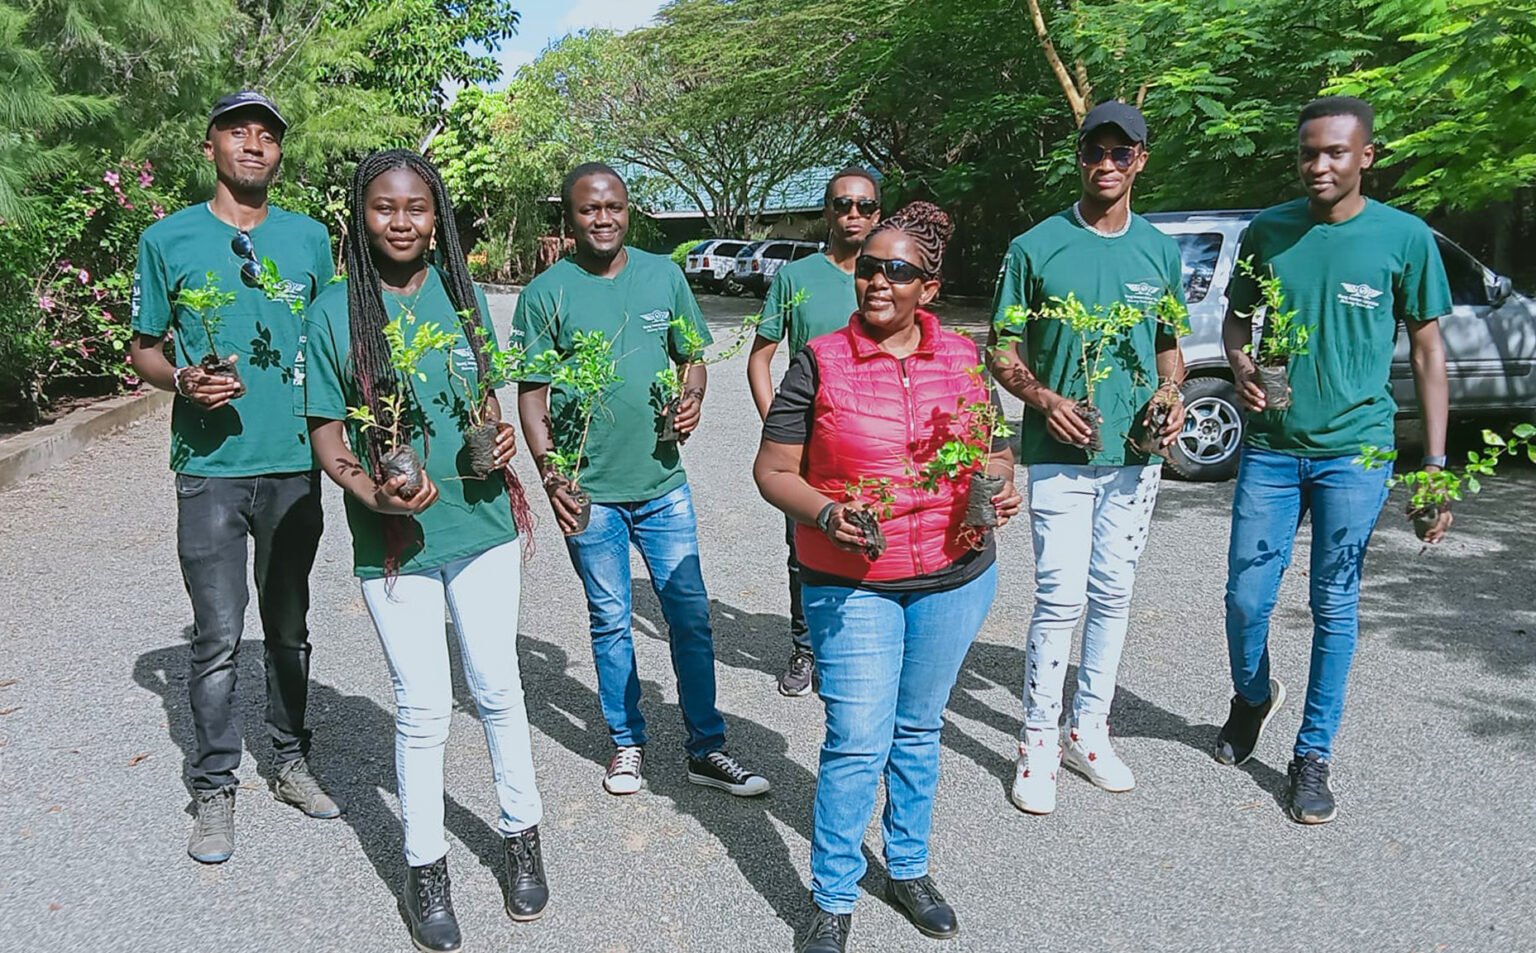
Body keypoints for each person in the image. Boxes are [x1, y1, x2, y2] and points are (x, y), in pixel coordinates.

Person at [298, 149, 549, 952]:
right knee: (422, 707)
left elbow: (480, 394)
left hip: (480, 525)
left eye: (416, 207)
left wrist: (498, 432)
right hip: (394, 539)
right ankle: (426, 865)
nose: (402, 221)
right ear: (360, 216)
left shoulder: (462, 295)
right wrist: (371, 493)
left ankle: (522, 835)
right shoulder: (333, 310)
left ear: (436, 213)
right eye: (384, 207)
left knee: (499, 686)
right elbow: (328, 433)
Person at [754, 202, 1021, 953]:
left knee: (918, 728)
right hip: (852, 579)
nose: (877, 280)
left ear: (927, 289)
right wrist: (827, 510)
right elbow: (773, 471)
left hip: (955, 574)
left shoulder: (965, 359)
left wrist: (999, 482)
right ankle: (833, 895)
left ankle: (907, 867)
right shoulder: (819, 360)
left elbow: (994, 450)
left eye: (897, 270)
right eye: (869, 266)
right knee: (856, 738)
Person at [1215, 96, 1452, 825]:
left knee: (1334, 605)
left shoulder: (1404, 238)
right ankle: (1254, 695)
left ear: (1366, 157)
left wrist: (1435, 465)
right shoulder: (1270, 230)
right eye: (1308, 153)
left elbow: (1427, 350)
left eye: (1335, 153)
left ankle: (1312, 754)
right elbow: (1236, 320)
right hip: (1274, 447)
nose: (1319, 165)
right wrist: (1240, 363)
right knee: (1246, 598)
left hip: (1357, 451)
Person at [127, 91, 339, 865]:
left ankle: (288, 760)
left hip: (293, 467)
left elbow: (341, 340)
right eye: (238, 132)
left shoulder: (311, 241)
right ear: (211, 144)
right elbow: (144, 346)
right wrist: (180, 379)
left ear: (279, 153)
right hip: (210, 469)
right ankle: (214, 786)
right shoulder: (168, 238)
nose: (255, 145)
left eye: (268, 136)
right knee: (217, 636)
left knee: (289, 627)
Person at [512, 162, 769, 799]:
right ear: (568, 219)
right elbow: (532, 394)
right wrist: (552, 479)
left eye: (614, 207)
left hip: (663, 487)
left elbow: (693, 359)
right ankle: (627, 744)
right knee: (609, 619)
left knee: (690, 617)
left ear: (630, 211)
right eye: (589, 209)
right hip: (588, 493)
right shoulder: (548, 292)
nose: (604, 219)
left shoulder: (664, 276)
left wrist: (694, 397)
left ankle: (706, 748)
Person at [987, 100, 1187, 816]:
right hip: (1059, 452)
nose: (1106, 164)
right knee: (1060, 596)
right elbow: (1000, 350)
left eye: (1121, 152)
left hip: (1135, 457)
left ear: (1141, 160)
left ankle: (1089, 728)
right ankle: (1037, 738)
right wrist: (1045, 400)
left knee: (1113, 593)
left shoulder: (1161, 252)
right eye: (1093, 151)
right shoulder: (1036, 246)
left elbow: (1171, 346)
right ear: (1078, 158)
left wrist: (1171, 393)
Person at [747, 168, 881, 698]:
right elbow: (760, 360)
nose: (853, 214)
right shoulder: (796, 278)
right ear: (826, 210)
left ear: (878, 214)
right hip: (810, 449)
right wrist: (778, 428)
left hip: (874, 443)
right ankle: (806, 647)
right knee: (805, 546)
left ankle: (855, 645)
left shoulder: (888, 276)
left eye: (865, 206)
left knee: (874, 537)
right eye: (842, 204)